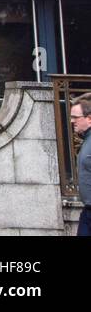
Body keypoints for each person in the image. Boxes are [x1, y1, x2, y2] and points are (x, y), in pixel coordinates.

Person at [72, 93, 91, 236]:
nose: (72, 121)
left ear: (89, 118)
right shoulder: (86, 140)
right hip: (87, 211)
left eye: (75, 117)